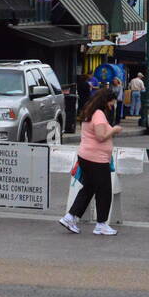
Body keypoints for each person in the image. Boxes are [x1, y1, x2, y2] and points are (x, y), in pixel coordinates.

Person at [58, 86, 123, 236]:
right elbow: (101, 136)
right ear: (106, 100)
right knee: (104, 191)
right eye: (112, 102)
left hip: (86, 155)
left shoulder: (90, 110)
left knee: (88, 188)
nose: (112, 105)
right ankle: (101, 224)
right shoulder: (99, 114)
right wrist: (114, 130)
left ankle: (70, 217)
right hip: (96, 159)